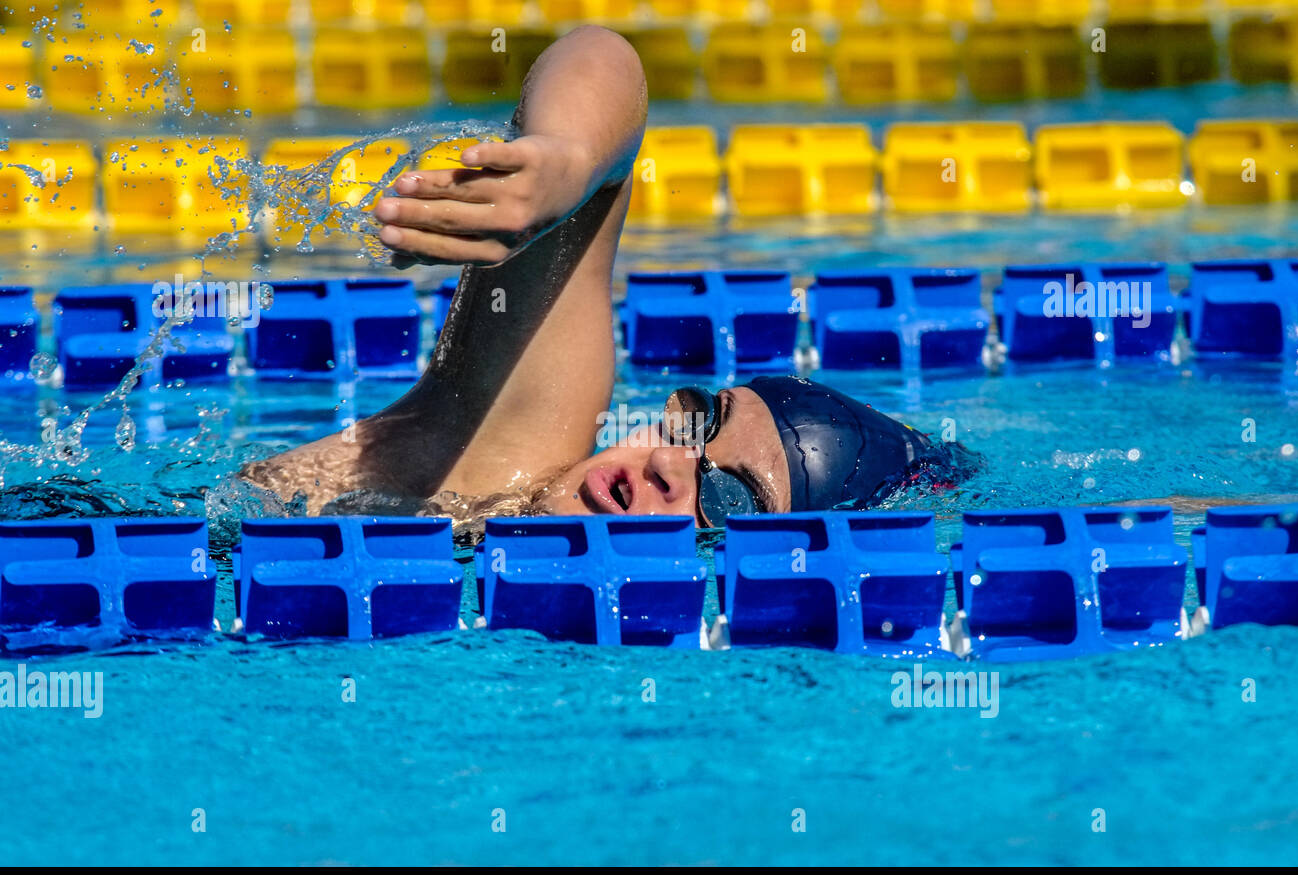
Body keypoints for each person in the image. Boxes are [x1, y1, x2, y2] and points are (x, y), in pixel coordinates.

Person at [239, 26, 977, 530]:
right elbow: (606, 57)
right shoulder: (500, 451)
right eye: (696, 424)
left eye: (730, 496)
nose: (665, 460)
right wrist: (564, 160)